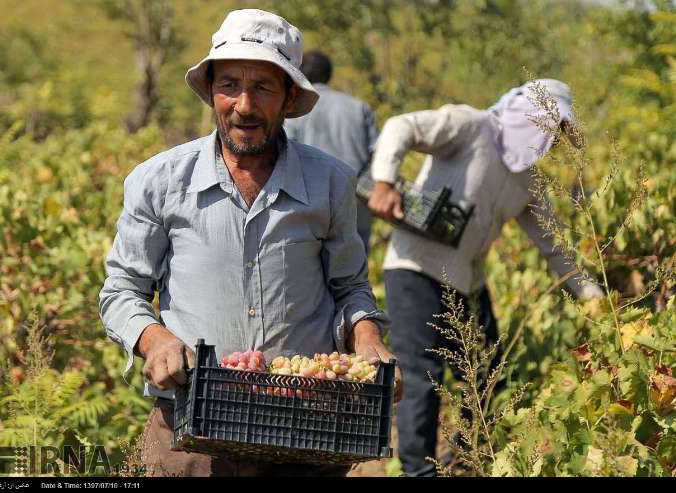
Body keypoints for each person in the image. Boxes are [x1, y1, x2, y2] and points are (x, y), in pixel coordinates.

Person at [99, 9, 401, 477]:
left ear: (289, 98)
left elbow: (349, 287)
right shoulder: (158, 181)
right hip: (192, 427)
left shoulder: (331, 182)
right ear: (211, 92)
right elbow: (121, 290)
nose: (243, 104)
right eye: (229, 86)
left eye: (262, 87)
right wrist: (153, 337)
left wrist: (367, 335)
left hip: (305, 427)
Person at [367, 79, 604, 477]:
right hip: (415, 266)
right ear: (525, 111)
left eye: (556, 130)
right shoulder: (470, 125)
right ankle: (416, 471)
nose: (549, 136)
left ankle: (463, 458)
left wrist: (592, 294)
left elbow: (555, 247)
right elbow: (401, 126)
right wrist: (385, 181)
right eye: (547, 123)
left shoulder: (527, 179)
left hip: (466, 282)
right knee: (424, 373)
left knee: (488, 374)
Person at [284, 51, 378, 251]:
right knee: (355, 269)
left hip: (309, 203)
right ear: (329, 74)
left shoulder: (294, 110)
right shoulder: (359, 107)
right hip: (355, 202)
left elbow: (285, 152)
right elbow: (377, 155)